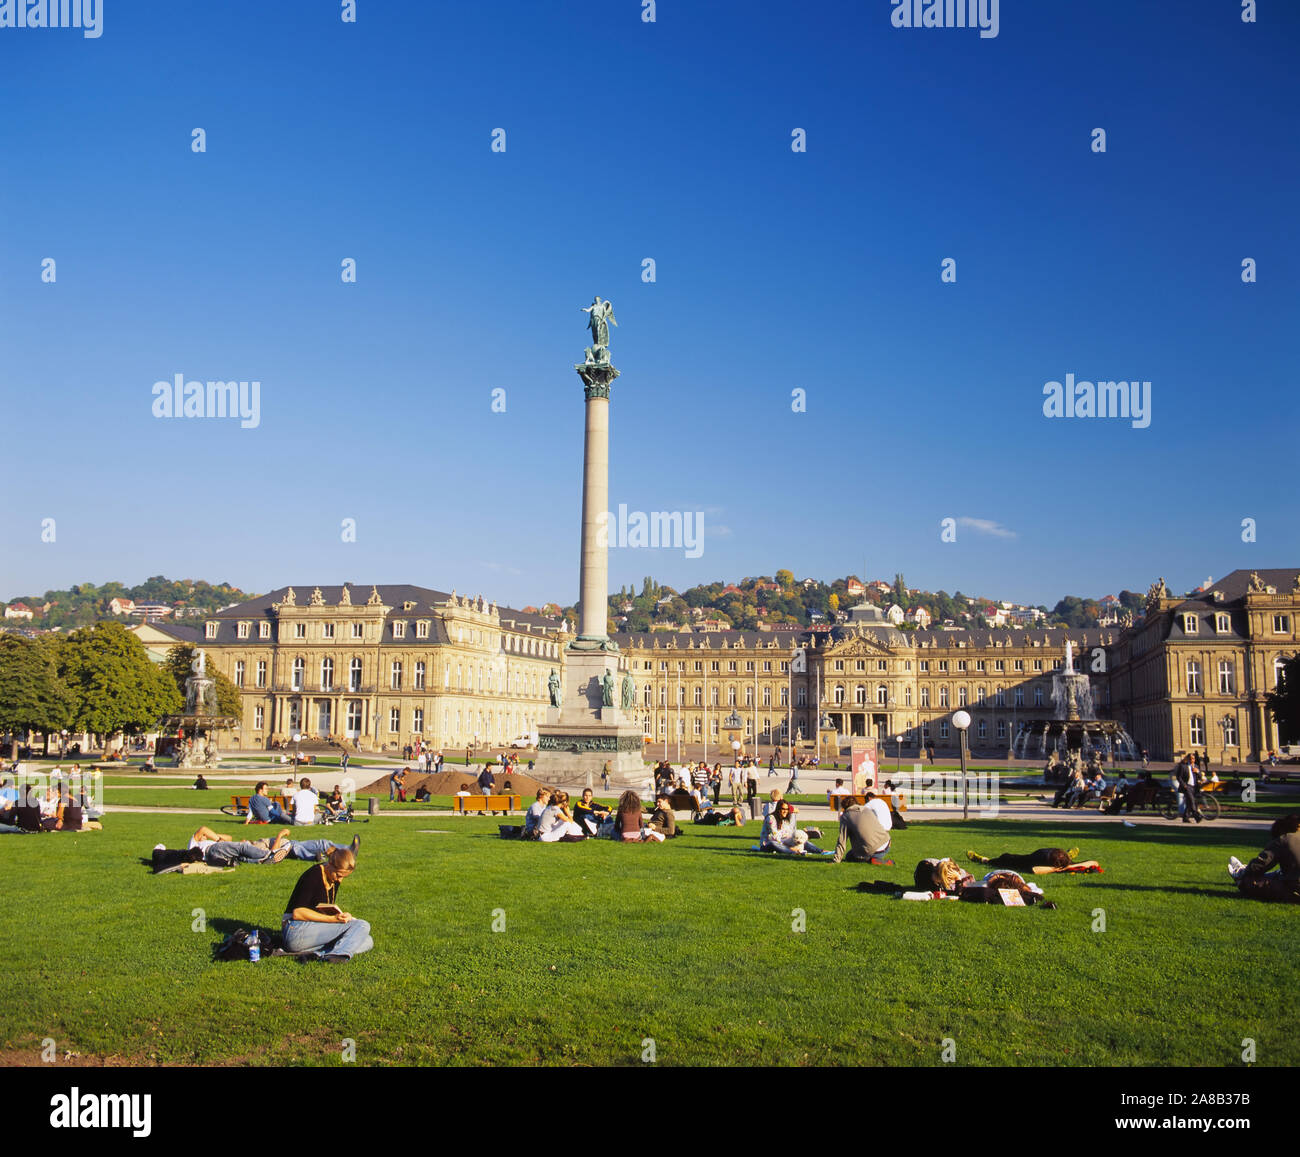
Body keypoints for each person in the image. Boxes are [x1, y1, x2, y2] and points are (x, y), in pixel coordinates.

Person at [281, 847, 374, 962]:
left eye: (344, 877)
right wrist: (334, 919)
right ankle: (338, 955)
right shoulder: (313, 875)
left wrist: (343, 917)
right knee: (362, 925)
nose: (340, 880)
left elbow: (324, 909)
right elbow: (298, 912)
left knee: (367, 940)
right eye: (339, 875)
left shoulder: (333, 879)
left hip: (312, 931)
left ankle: (318, 954)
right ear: (330, 864)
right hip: (295, 930)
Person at [1229, 813, 1300, 904]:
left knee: (1250, 882)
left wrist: (1247, 872)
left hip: (1295, 890)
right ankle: (1242, 872)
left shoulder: (1284, 840)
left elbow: (1260, 865)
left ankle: (1241, 875)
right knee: (1278, 874)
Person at [831, 800, 891, 864]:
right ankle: (873, 858)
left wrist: (836, 860)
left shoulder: (846, 816)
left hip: (872, 850)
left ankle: (871, 859)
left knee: (849, 856)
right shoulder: (866, 810)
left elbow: (842, 841)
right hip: (886, 843)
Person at [966, 847, 1080, 872]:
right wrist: (1069, 864)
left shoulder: (1039, 866)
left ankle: (983, 860)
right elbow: (1093, 862)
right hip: (1044, 856)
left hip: (1019, 861)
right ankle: (1068, 855)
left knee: (1003, 858)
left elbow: (1034, 870)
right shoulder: (1064, 862)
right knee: (1006, 856)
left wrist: (1056, 869)